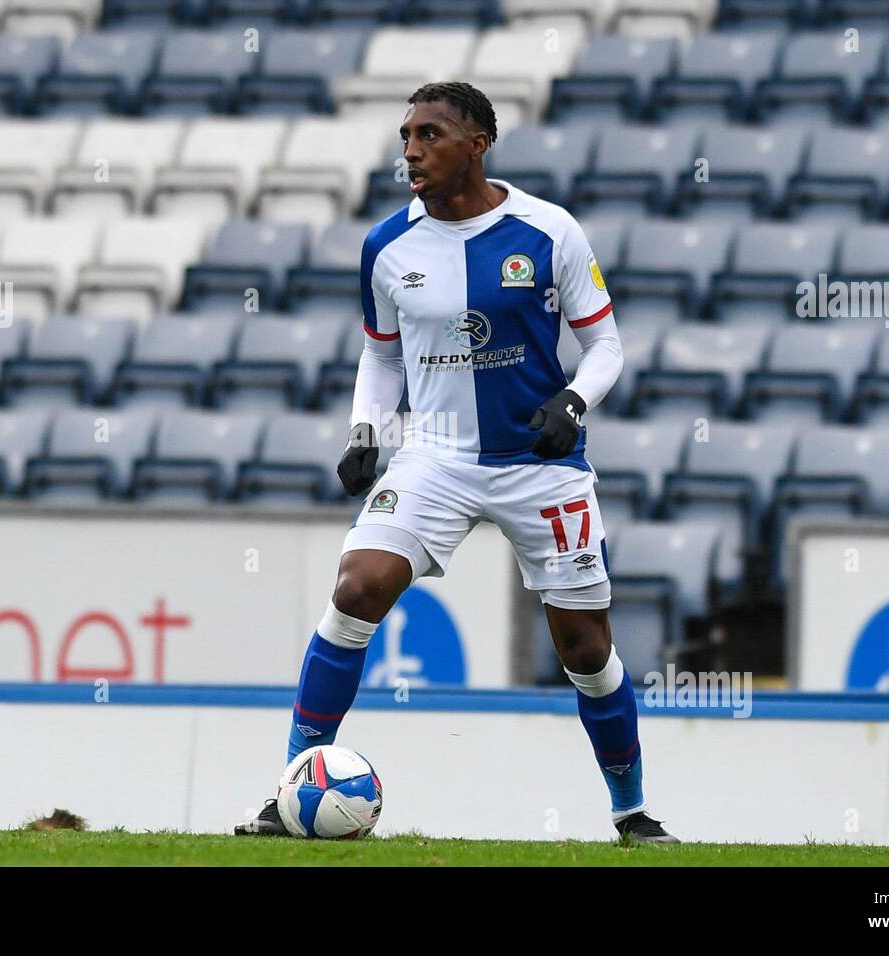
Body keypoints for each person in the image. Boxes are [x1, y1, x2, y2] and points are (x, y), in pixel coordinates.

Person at [235, 81, 677, 844]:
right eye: (406, 137)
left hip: (540, 466)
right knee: (357, 587)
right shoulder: (386, 246)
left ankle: (631, 811)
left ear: (478, 144)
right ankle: (289, 792)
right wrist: (366, 432)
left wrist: (573, 402)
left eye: (429, 135)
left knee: (585, 648)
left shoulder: (550, 231)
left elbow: (605, 345)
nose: (411, 151)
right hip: (434, 455)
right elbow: (381, 357)